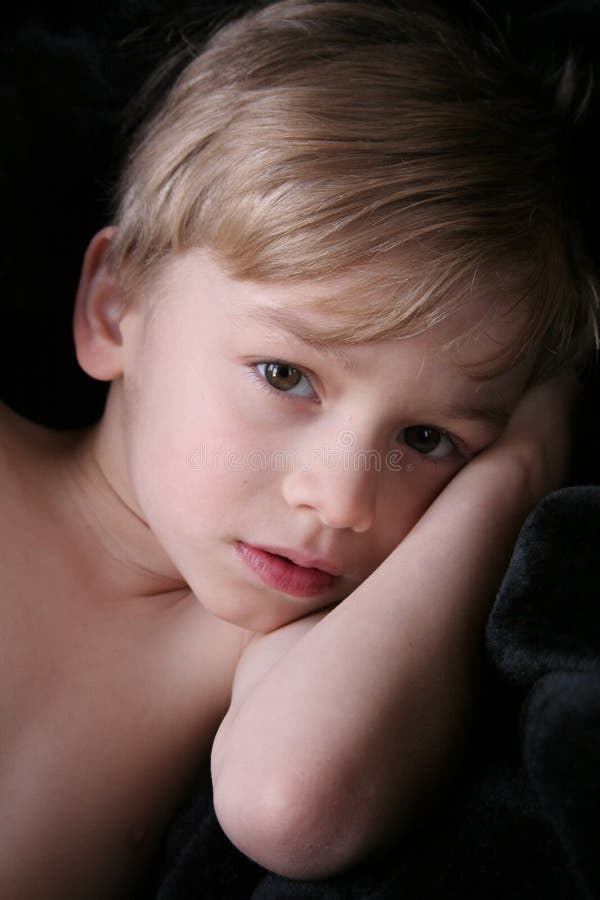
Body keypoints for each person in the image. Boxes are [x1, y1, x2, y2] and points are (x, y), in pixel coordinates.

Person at [0, 0, 597, 896]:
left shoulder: (263, 651)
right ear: (114, 310)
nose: (345, 499)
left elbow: (296, 805)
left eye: (429, 439)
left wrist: (521, 466)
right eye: (285, 376)